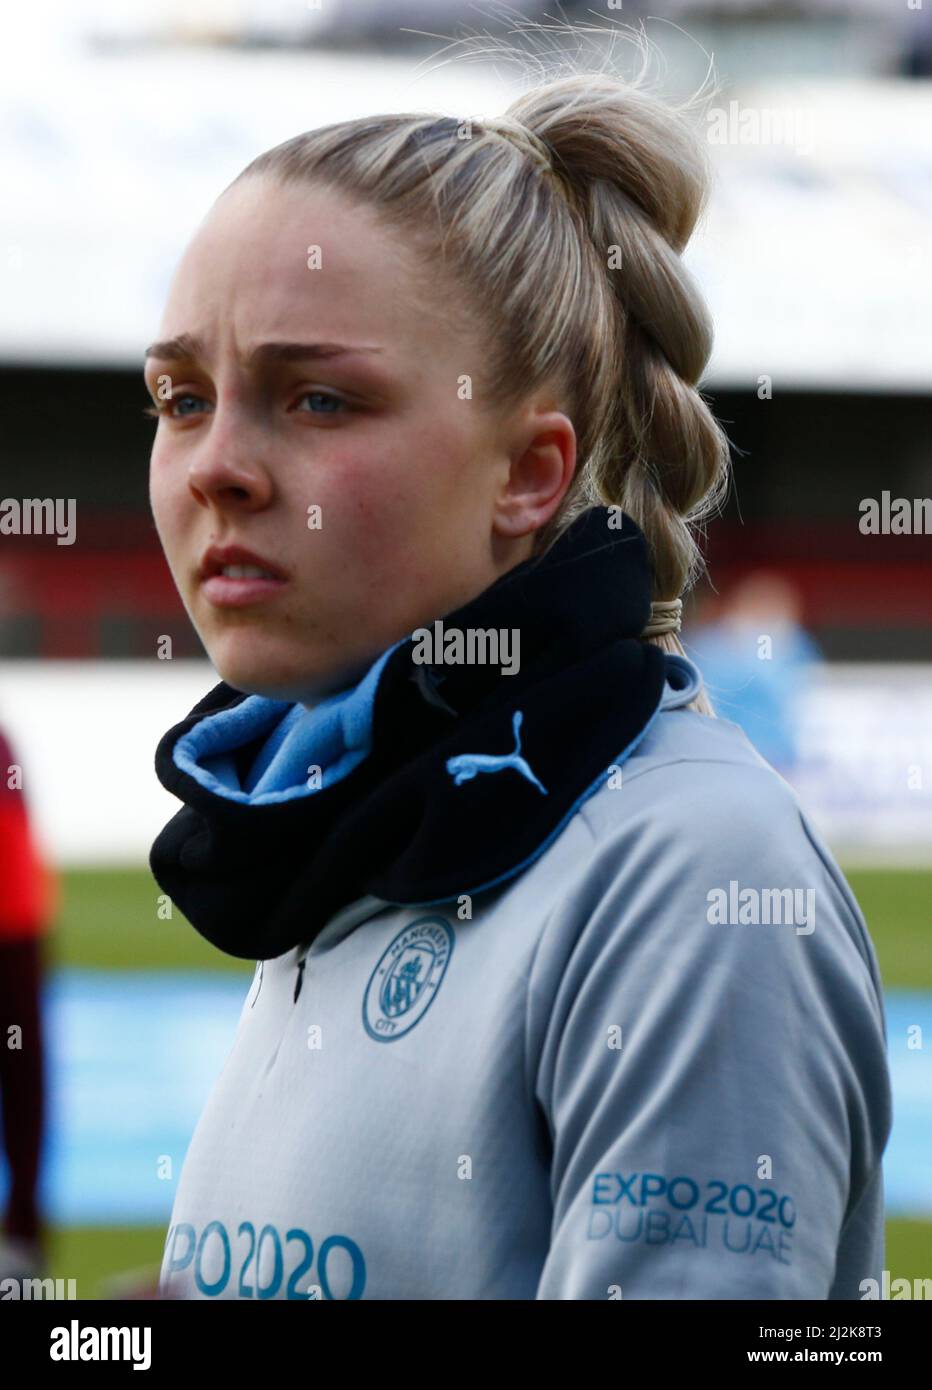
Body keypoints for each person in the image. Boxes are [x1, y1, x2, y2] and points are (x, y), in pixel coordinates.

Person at [145, 37, 891, 1300]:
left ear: (530, 472)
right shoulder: (345, 822)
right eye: (179, 398)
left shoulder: (695, 876)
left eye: (317, 399)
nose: (216, 464)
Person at [0, 726, 56, 1286]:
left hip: (14, 924)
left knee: (24, 1083)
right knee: (25, 1083)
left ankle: (22, 1237)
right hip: (17, 922)